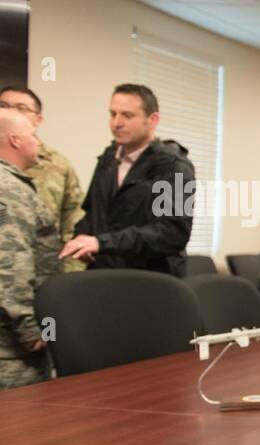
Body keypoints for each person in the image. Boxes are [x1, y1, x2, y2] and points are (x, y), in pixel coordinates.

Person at [61, 83, 194, 276]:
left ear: (152, 119)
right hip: (104, 274)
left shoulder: (173, 167)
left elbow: (171, 233)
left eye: (127, 115)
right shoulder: (108, 159)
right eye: (113, 114)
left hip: (150, 281)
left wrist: (102, 243)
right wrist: (82, 238)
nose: (117, 122)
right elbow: (93, 212)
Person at [0, 108, 60, 389]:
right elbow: (9, 263)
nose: (38, 143)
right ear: (15, 141)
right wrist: (30, 331)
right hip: (11, 353)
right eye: (33, 135)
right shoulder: (9, 190)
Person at [0, 86, 84, 273]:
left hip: (42, 272)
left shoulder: (58, 165)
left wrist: (69, 277)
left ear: (38, 120)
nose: (11, 111)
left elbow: (73, 224)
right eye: (3, 105)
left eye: (21, 108)